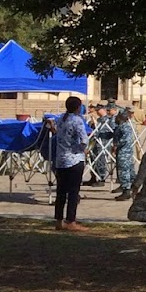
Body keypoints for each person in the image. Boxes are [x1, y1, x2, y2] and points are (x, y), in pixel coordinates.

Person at [52, 95, 89, 230]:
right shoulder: (77, 120)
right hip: (74, 159)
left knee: (61, 192)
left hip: (60, 159)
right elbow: (84, 139)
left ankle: (58, 220)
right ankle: (71, 221)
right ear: (78, 107)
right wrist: (81, 149)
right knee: (73, 192)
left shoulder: (60, 119)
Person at [110, 107, 138, 198]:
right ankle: (127, 187)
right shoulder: (120, 126)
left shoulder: (125, 126)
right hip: (123, 151)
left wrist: (116, 145)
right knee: (127, 170)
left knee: (124, 170)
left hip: (124, 152)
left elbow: (125, 140)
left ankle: (126, 190)